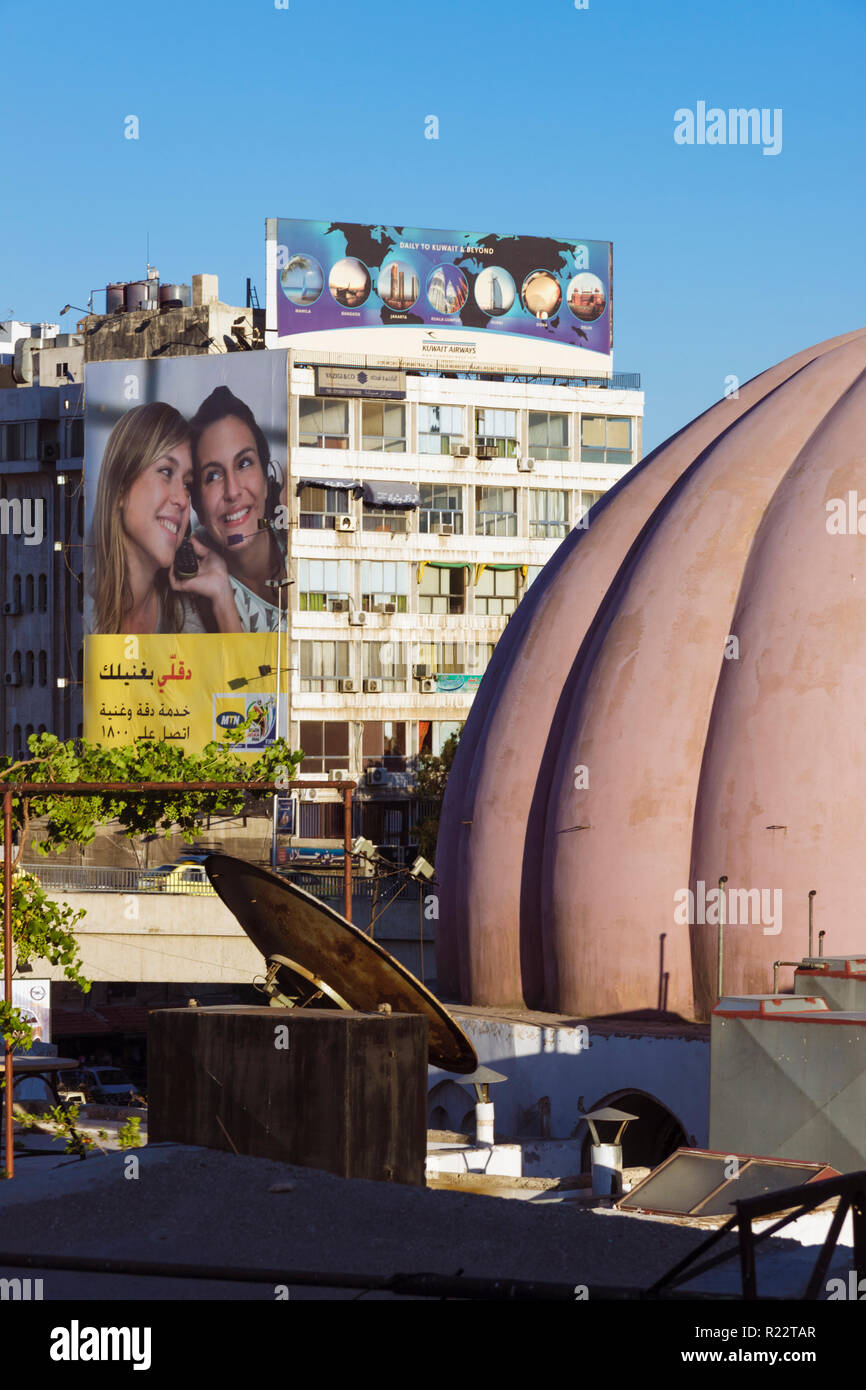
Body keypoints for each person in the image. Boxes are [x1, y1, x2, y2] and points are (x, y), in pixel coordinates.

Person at [89, 402, 233, 634]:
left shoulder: (182, 616)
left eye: (187, 485)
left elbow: (251, 672)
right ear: (121, 489)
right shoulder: (81, 611)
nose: (183, 500)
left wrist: (223, 595)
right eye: (166, 472)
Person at [184, 386, 288, 632]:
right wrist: (221, 596)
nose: (232, 491)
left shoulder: (301, 543)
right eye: (213, 476)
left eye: (244, 463)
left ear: (265, 479)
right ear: (197, 505)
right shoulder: (191, 599)